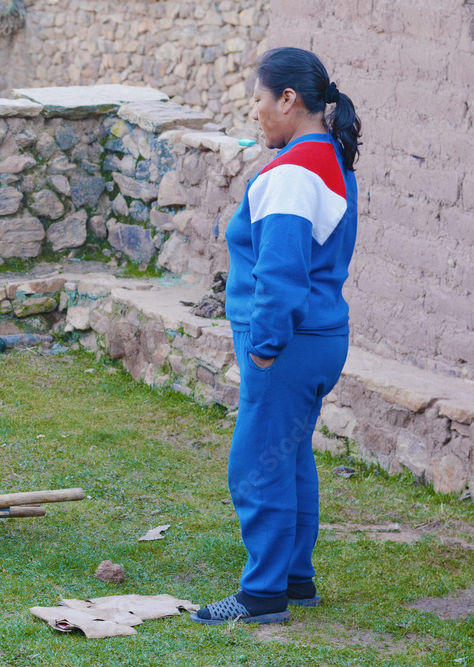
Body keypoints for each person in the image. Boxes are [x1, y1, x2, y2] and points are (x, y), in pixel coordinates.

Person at [191, 47, 362, 625]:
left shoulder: (293, 170)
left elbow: (282, 272)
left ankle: (262, 595)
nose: (256, 114)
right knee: (290, 459)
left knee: (257, 463)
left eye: (259, 101)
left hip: (288, 343)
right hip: (319, 336)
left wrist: (263, 347)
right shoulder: (327, 158)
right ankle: (295, 580)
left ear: (289, 99)